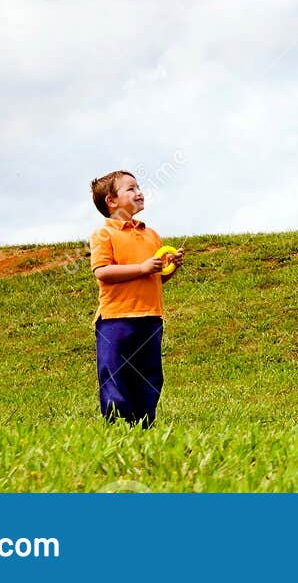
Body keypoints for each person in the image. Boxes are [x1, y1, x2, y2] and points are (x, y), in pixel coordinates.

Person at [88, 170, 182, 427]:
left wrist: (170, 268)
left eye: (138, 187)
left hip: (150, 317)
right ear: (112, 201)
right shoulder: (104, 234)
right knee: (116, 372)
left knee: (149, 373)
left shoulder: (150, 235)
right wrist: (142, 268)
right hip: (116, 319)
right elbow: (103, 272)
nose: (139, 192)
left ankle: (143, 422)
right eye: (130, 189)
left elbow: (156, 277)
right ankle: (117, 422)